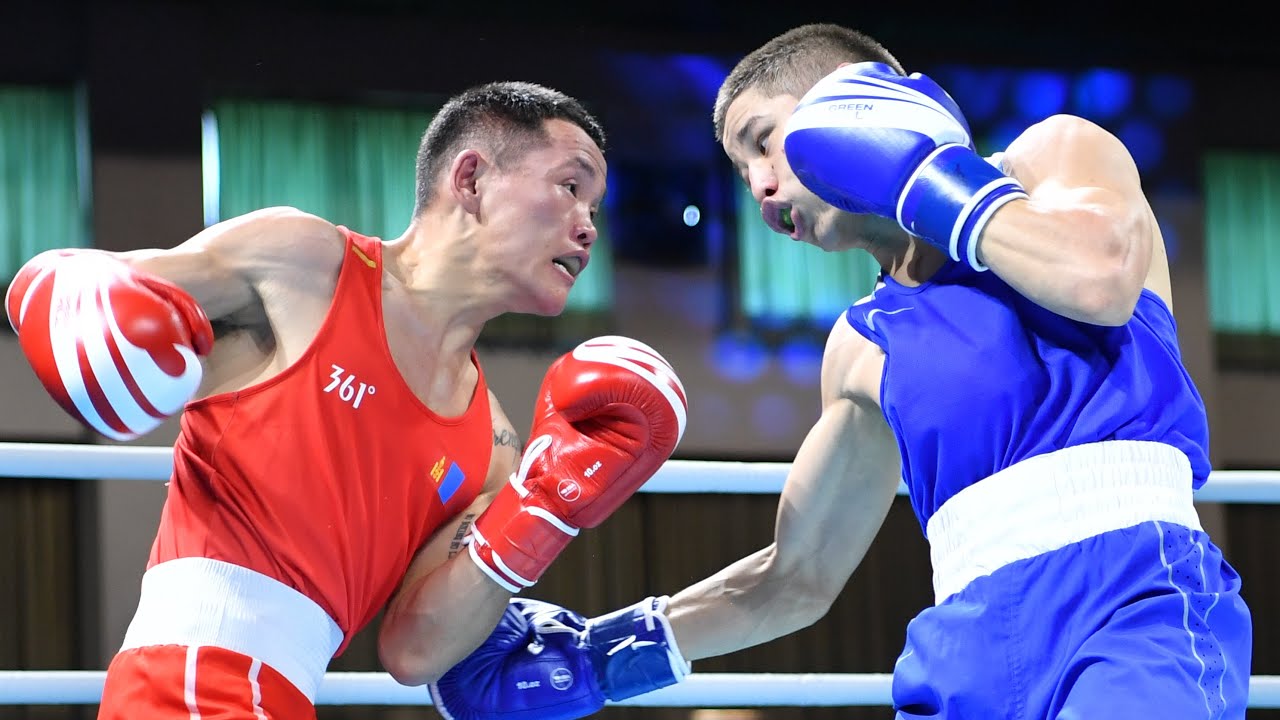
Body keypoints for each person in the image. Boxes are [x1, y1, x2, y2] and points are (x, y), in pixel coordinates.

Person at [427, 23, 1254, 720]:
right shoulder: (862, 346)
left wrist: (922, 169)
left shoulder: (1050, 160)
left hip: (1134, 602)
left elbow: (1100, 281)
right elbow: (796, 577)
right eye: (742, 172)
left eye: (763, 142)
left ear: (854, 101)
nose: (760, 186)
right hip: (962, 647)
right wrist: (598, 657)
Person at [4, 80, 690, 718]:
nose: (587, 226)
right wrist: (77, 307)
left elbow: (414, 651)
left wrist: (547, 507)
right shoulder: (306, 264)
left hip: (282, 698)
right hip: (183, 682)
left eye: (594, 207)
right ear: (471, 179)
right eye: (570, 187)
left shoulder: (496, 445)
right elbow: (81, 285)